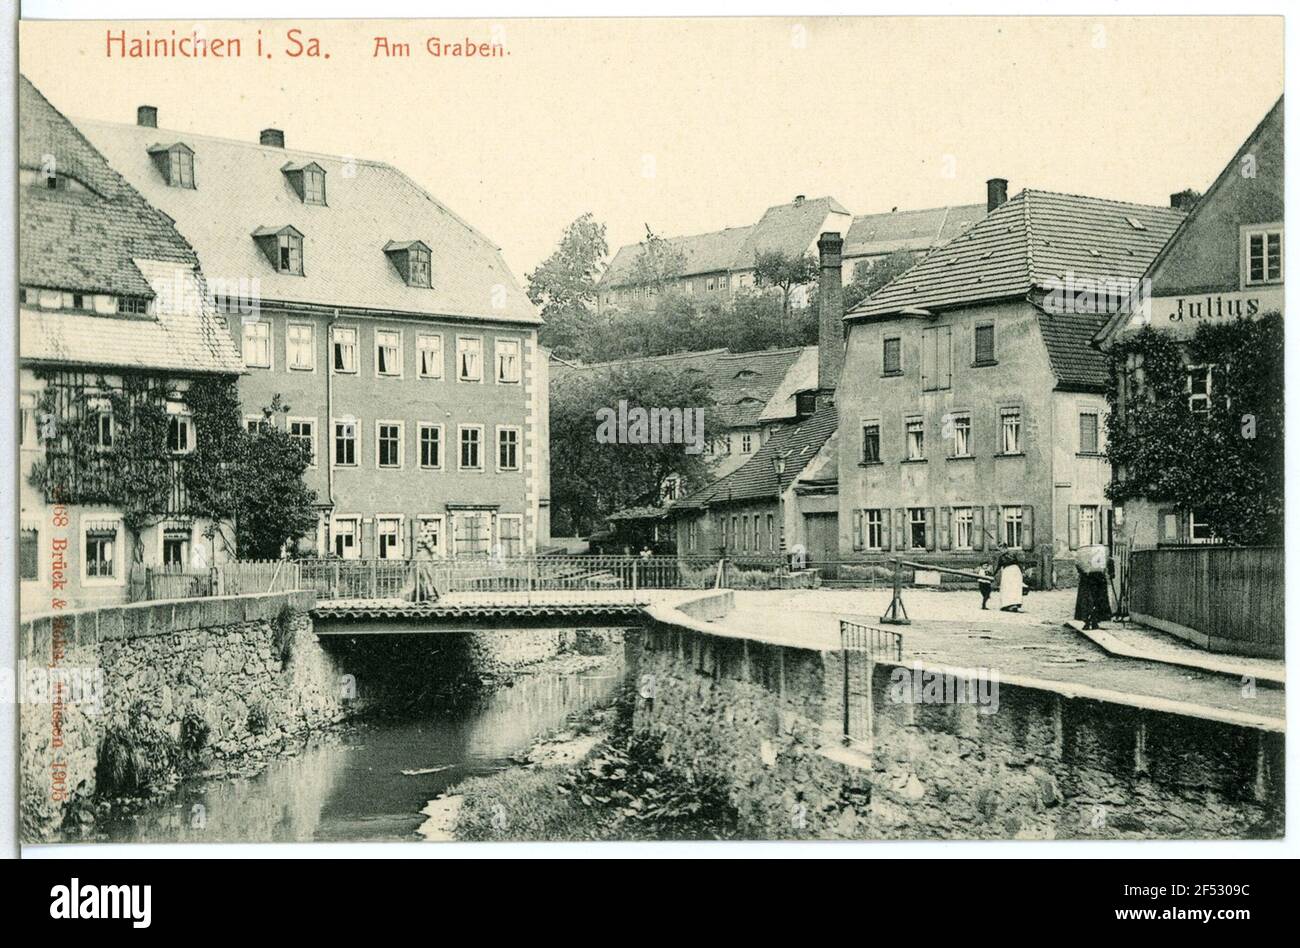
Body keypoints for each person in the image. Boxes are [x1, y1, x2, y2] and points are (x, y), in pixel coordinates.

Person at [1074, 544, 1112, 630]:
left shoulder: (1083, 552)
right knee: (1097, 600)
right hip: (1099, 579)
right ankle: (1094, 621)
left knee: (1087, 601)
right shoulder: (1102, 551)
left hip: (1086, 579)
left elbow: (1077, 564)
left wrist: (1082, 572)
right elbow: (1109, 561)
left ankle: (1088, 622)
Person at [995, 547, 1023, 612]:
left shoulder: (1004, 557)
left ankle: (1013, 604)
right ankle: (1008, 604)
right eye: (1000, 550)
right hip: (1011, 572)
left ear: (1006, 548)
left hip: (1011, 572)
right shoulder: (1008, 555)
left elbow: (998, 567)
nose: (1002, 551)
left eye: (1002, 549)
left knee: (1012, 587)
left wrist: (994, 574)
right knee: (1008, 588)